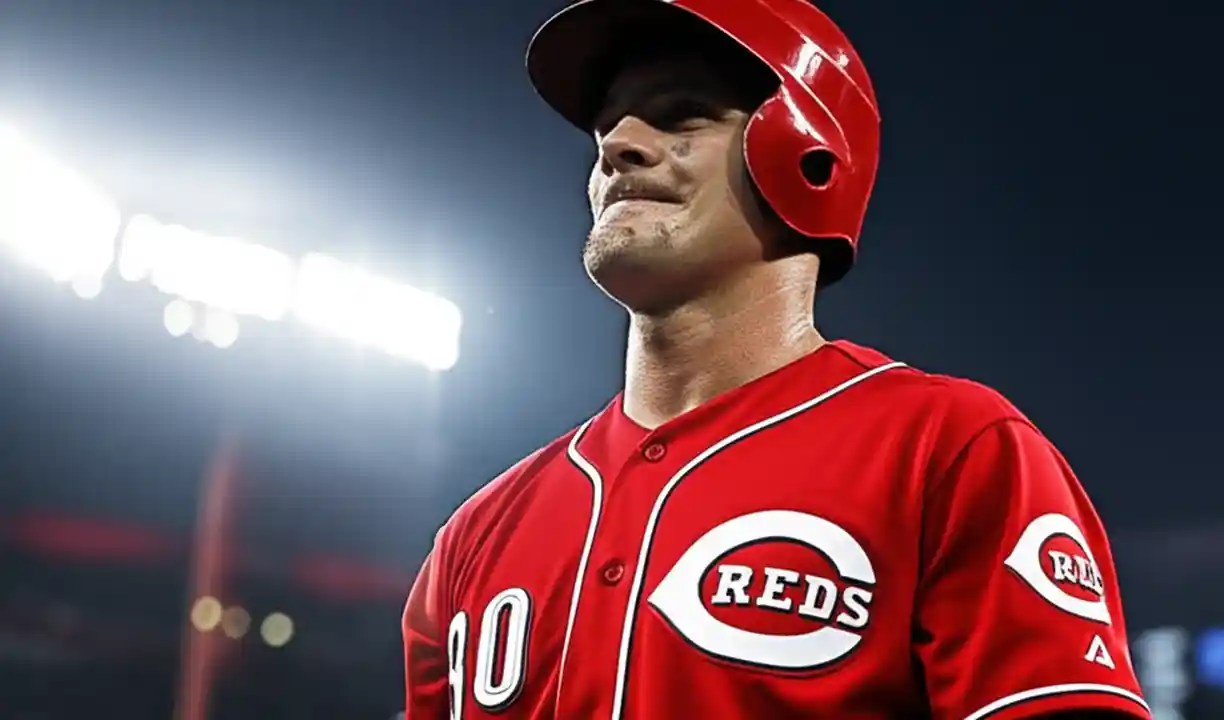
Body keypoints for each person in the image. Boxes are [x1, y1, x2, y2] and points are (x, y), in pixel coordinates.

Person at [403, 0, 1152, 718]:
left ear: (810, 155)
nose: (616, 144)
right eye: (607, 124)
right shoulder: (476, 533)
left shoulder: (949, 448)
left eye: (681, 114)